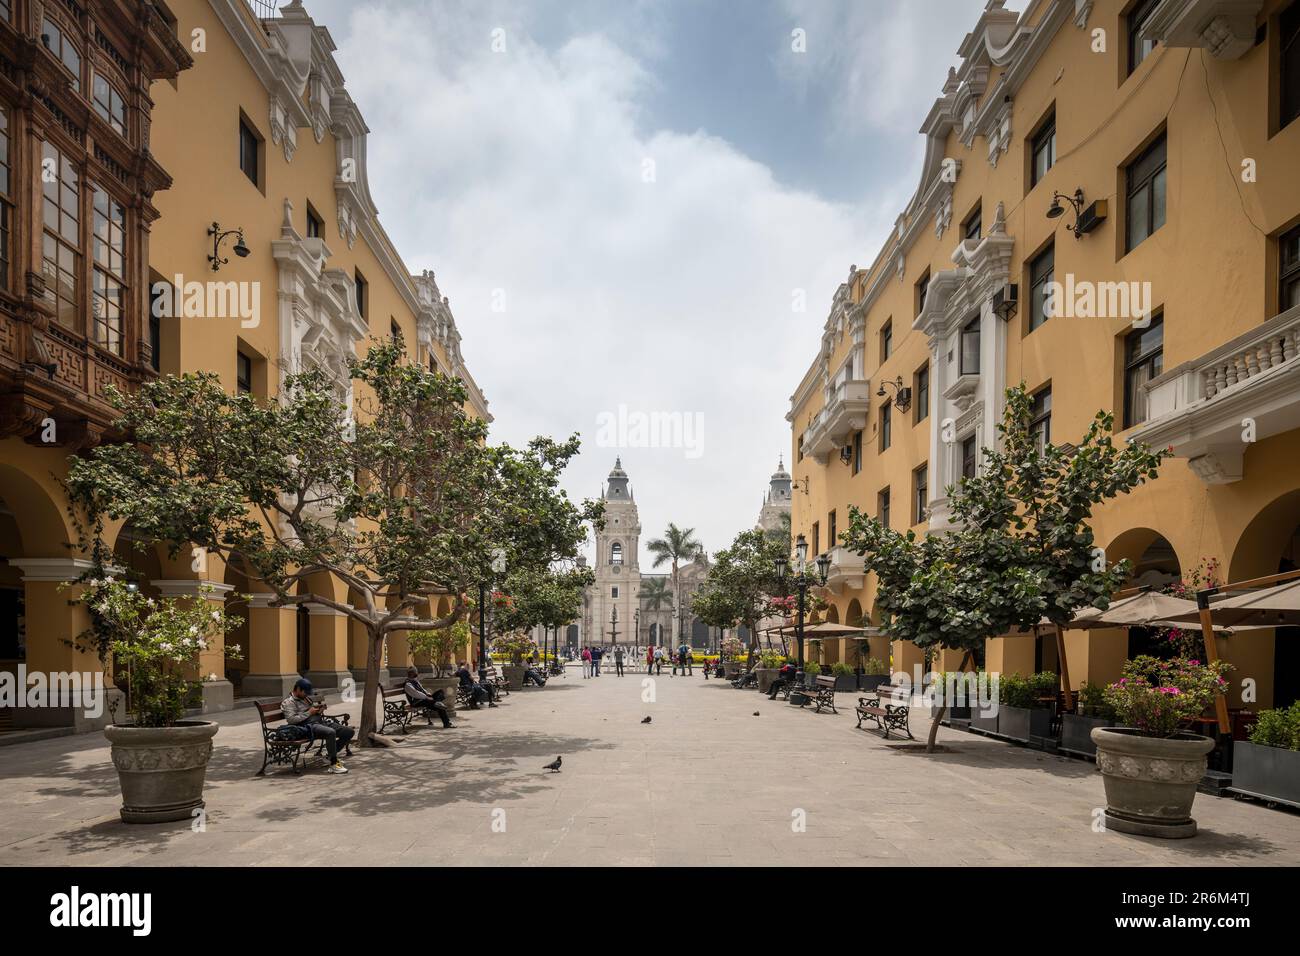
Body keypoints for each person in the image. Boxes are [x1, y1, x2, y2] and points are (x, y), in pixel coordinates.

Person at [281, 678, 354, 773]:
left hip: (319, 722)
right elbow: (291, 720)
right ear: (298, 689)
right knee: (330, 732)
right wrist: (309, 713)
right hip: (307, 727)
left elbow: (311, 712)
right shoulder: (288, 702)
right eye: (305, 692)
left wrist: (318, 711)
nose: (306, 694)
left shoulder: (305, 698)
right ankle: (333, 763)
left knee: (348, 732)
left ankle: (330, 755)